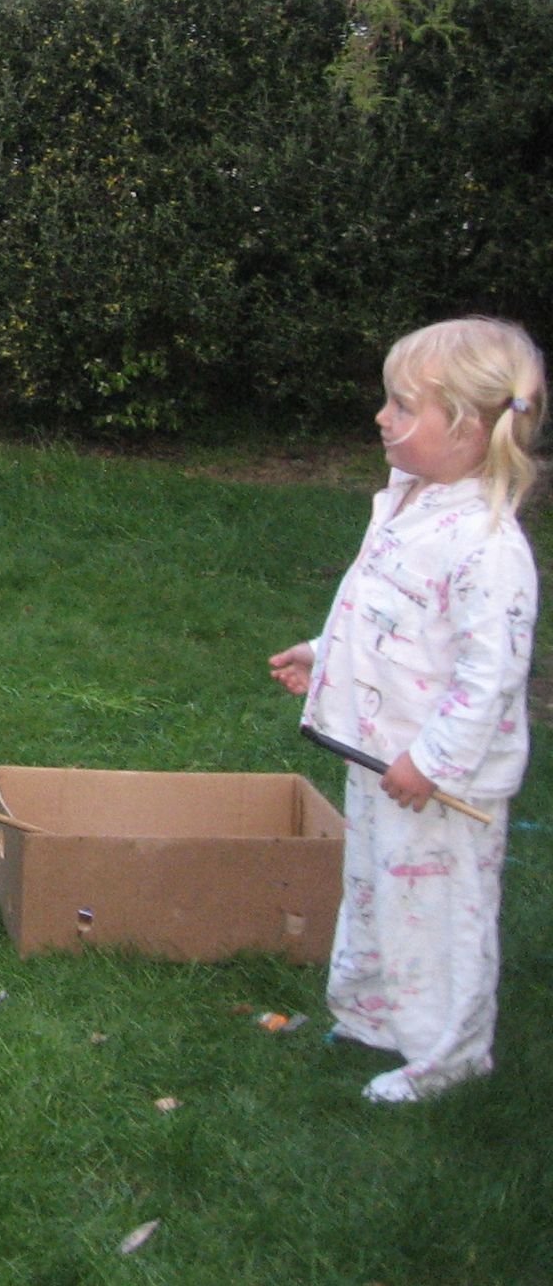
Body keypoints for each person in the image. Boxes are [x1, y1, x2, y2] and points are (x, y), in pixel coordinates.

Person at [268, 316, 541, 1105]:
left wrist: (434, 761)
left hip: (440, 779)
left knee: (439, 914)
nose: (381, 418)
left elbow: (490, 678)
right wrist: (324, 653)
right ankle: (374, 1017)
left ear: (467, 427)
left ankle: (450, 1055)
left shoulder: (488, 545)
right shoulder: (415, 503)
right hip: (383, 755)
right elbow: (389, 610)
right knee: (379, 886)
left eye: (401, 406)